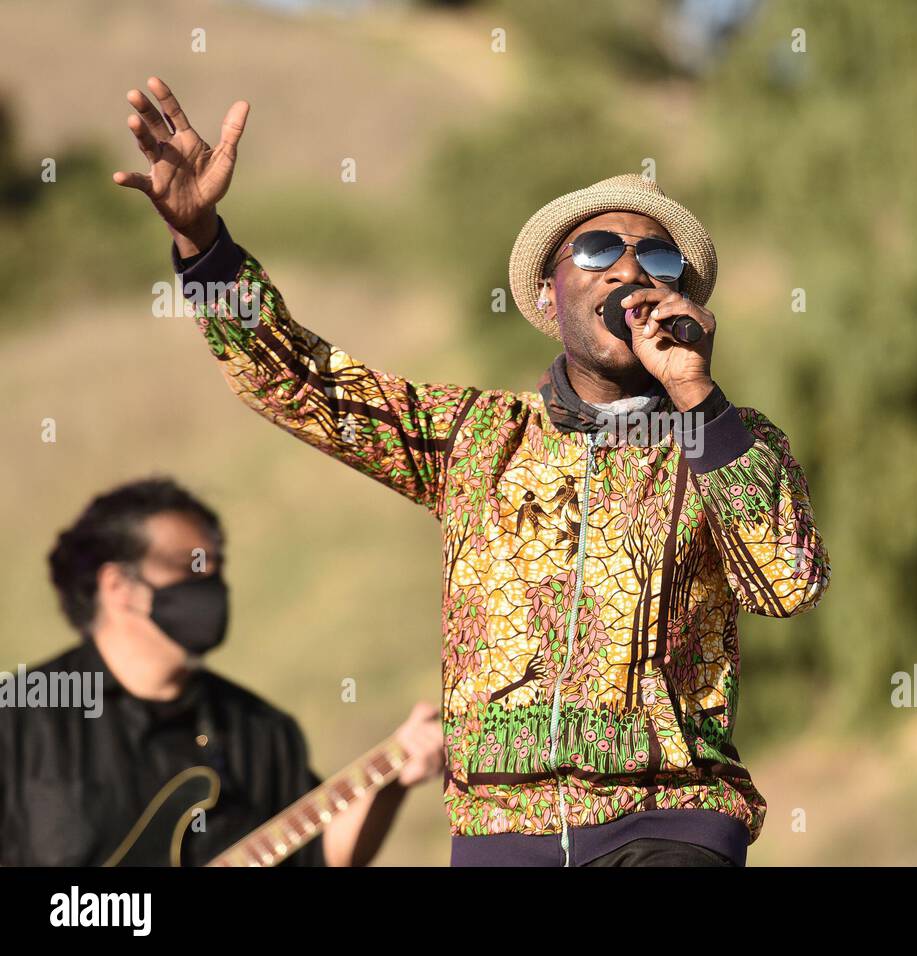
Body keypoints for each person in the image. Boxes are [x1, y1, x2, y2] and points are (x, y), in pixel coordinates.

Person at [112, 77, 831, 867]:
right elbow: (299, 382)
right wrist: (205, 246)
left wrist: (696, 397)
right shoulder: (475, 436)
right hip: (500, 834)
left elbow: (787, 584)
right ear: (550, 295)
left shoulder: (727, 440)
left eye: (655, 257)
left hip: (669, 822)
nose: (630, 269)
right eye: (597, 250)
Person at [0, 477, 444, 867]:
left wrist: (392, 782)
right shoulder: (18, 718)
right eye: (191, 567)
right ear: (118, 587)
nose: (211, 586)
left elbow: (320, 856)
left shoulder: (262, 731)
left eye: (216, 568)